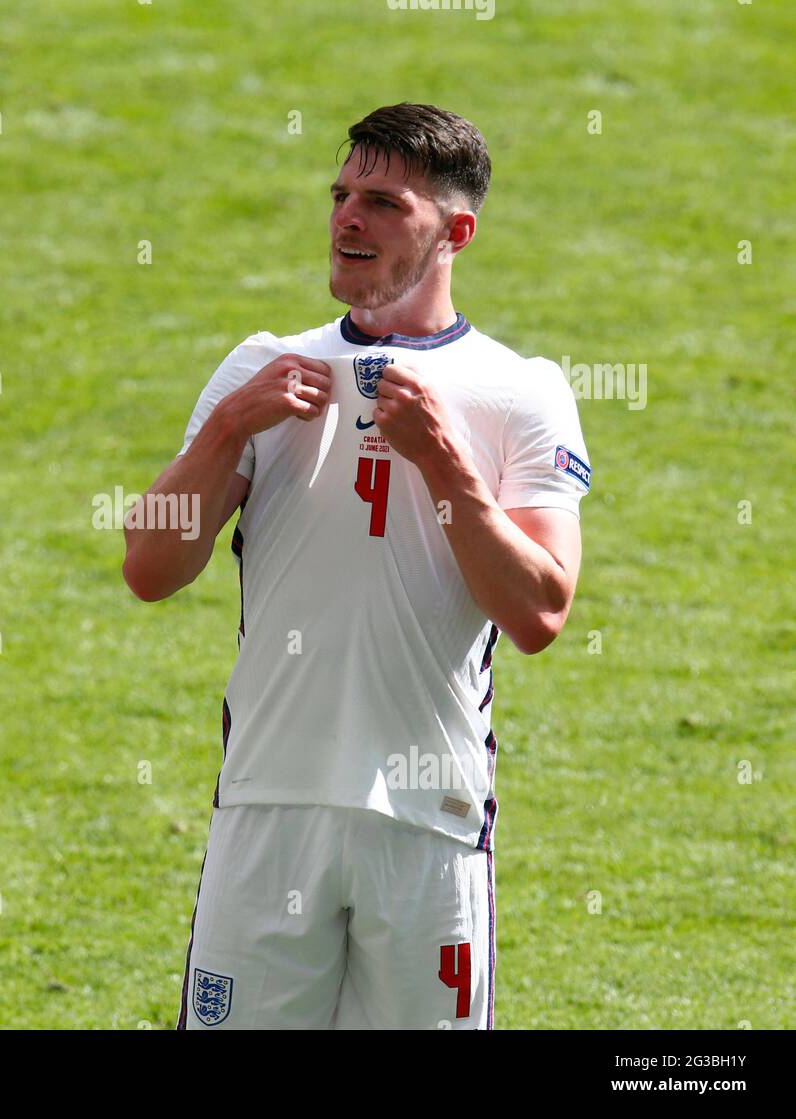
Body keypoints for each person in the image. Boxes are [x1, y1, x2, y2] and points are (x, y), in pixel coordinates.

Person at [123, 103, 591, 1029]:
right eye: (342, 194)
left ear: (457, 231)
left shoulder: (523, 390)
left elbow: (539, 611)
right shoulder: (266, 367)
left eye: (383, 202)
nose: (347, 218)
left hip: (431, 818)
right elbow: (149, 565)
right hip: (268, 804)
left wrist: (447, 463)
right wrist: (227, 430)